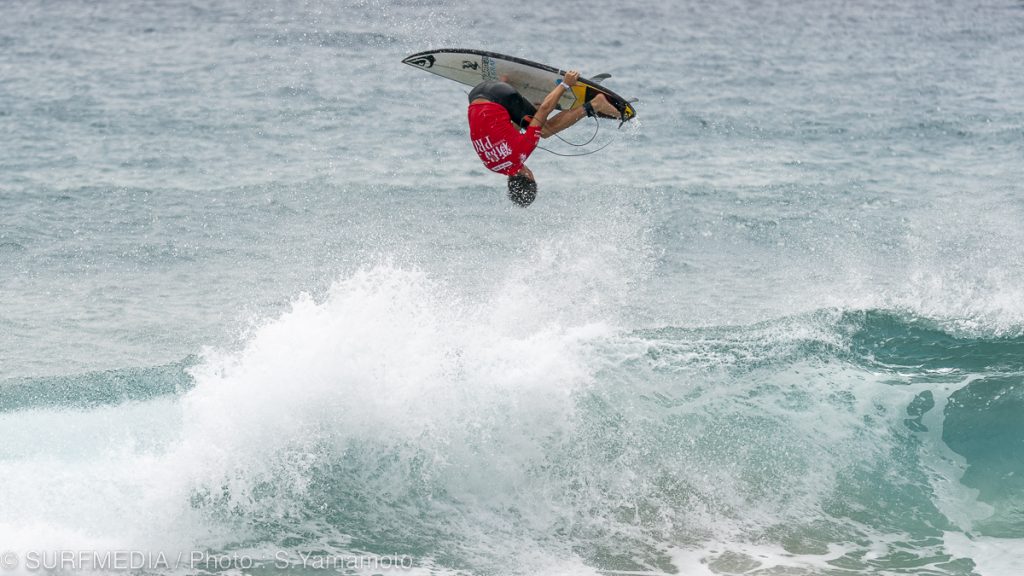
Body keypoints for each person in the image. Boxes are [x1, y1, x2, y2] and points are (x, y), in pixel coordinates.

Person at [467, 70, 621, 207]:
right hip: (476, 94)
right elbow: (503, 130)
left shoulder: (521, 152)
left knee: (545, 130)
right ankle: (506, 80)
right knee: (531, 121)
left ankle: (595, 104)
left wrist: (566, 84)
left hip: (501, 95)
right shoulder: (491, 165)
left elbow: (545, 110)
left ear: (529, 177)